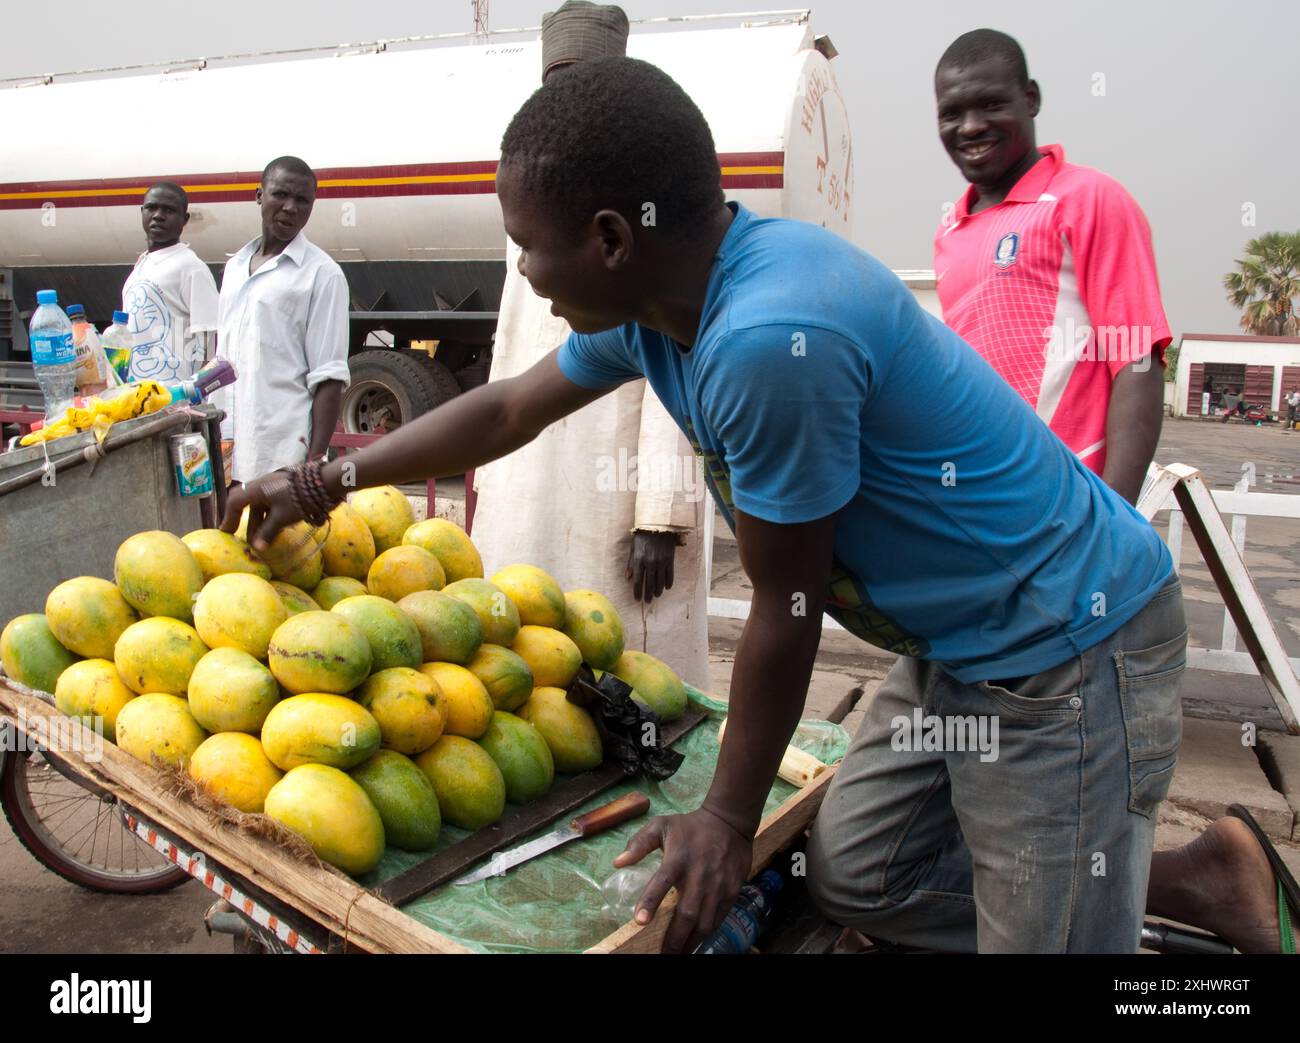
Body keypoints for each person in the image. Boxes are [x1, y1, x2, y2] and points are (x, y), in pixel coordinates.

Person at [223, 57, 1296, 954]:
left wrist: (727, 817)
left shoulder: (767, 339)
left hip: (1068, 646)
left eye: (526, 242)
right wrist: (322, 480)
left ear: (606, 237)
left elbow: (783, 608)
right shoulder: (661, 304)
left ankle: (1091, 908)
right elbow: (506, 407)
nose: (521, 266)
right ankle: (1178, 878)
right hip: (962, 642)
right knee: (862, 874)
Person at [471, 0, 709, 686]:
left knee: (630, 660)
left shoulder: (656, 182)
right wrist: (490, 470)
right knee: (529, 650)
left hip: (622, 471)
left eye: (584, 78)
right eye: (557, 79)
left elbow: (681, 349)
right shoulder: (531, 186)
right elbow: (510, 349)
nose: (567, 93)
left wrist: (660, 514)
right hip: (533, 461)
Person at [932, 29, 1170, 505]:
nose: (971, 126)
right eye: (952, 113)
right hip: (985, 502)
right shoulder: (950, 230)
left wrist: (1116, 520)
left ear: (1031, 99)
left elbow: (1137, 359)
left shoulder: (1089, 199)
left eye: (991, 105)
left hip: (1071, 501)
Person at [212, 157, 350, 484]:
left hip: (281, 455)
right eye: (281, 195)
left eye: (302, 200)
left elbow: (329, 376)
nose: (290, 208)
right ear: (259, 195)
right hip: (225, 445)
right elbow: (223, 356)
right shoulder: (234, 267)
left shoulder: (322, 274)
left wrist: (314, 462)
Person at [121, 181, 220, 382]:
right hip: (137, 397)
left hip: (175, 402)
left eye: (169, 210)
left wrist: (195, 396)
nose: (158, 215)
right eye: (151, 208)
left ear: (185, 219)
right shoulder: (142, 265)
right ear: (142, 212)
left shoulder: (191, 267)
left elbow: (213, 343)